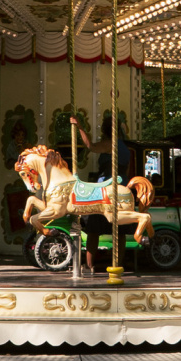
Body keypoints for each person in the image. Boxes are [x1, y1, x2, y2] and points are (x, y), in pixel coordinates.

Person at [69, 114, 130, 272]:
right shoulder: (124, 146)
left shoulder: (110, 144)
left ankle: (89, 266)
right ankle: (119, 263)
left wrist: (79, 126)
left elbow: (90, 146)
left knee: (93, 226)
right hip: (121, 183)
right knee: (120, 230)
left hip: (106, 185)